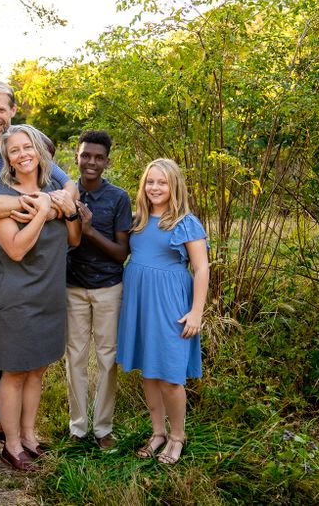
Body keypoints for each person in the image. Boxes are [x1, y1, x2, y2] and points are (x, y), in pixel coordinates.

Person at [0, 81, 75, 472]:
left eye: (0, 110)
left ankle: (20, 433)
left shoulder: (27, 144)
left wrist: (59, 205)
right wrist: (38, 205)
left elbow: (67, 185)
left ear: (12, 109)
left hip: (29, 268)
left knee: (25, 358)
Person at [0, 125, 82, 471]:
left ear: (40, 151)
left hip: (50, 292)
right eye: (15, 150)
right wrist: (42, 211)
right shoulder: (1, 196)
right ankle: (10, 445)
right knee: (14, 370)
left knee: (38, 368)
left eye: (28, 147)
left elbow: (73, 239)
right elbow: (14, 249)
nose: (23, 154)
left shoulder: (55, 187)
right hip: (16, 294)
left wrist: (67, 209)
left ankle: (28, 435)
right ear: (7, 159)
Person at [116, 158, 209, 465]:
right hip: (140, 303)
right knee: (149, 369)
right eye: (150, 182)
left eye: (162, 183)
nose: (154, 188)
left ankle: (178, 436)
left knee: (170, 374)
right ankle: (157, 433)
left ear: (174, 186)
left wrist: (196, 312)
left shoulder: (185, 222)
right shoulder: (138, 219)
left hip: (170, 302)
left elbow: (201, 268)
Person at [65, 130, 132, 449]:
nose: (91, 162)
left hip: (108, 288)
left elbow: (122, 252)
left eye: (98, 157)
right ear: (76, 157)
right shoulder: (65, 193)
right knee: (75, 357)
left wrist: (89, 231)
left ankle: (103, 428)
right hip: (71, 288)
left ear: (107, 161)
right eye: (85, 155)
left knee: (107, 358)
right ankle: (78, 428)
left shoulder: (118, 197)